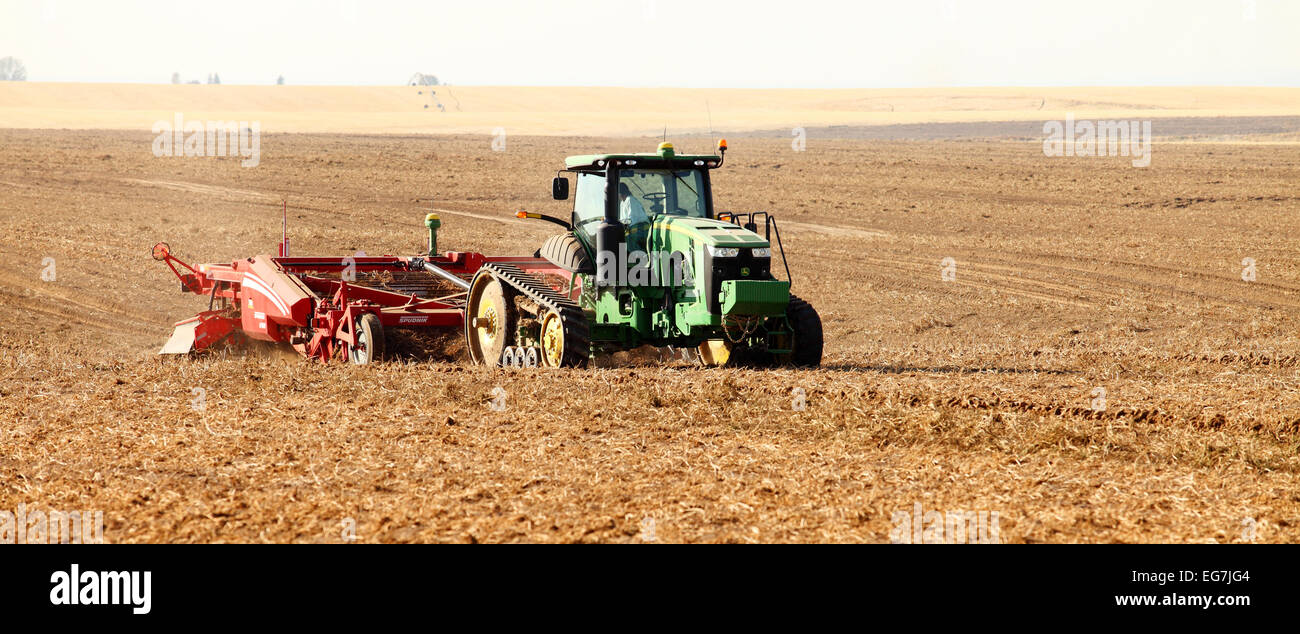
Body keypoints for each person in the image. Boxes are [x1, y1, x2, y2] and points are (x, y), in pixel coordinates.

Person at [619, 183, 650, 250]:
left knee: (635, 250)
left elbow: (632, 219)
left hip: (639, 229)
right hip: (631, 229)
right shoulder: (622, 203)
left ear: (621, 193)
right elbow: (623, 219)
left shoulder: (630, 200)